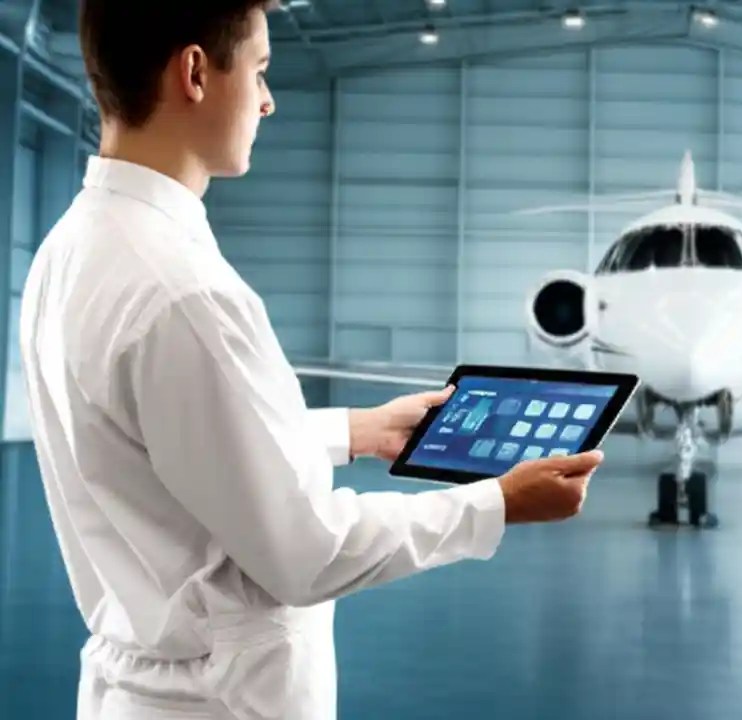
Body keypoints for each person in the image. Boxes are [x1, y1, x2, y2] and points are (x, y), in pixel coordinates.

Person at [18, 2, 604, 718]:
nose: (267, 101)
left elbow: (175, 450)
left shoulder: (71, 249)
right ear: (197, 72)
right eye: (261, 70)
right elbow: (305, 552)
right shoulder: (184, 292)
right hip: (218, 701)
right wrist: (495, 503)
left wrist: (357, 431)